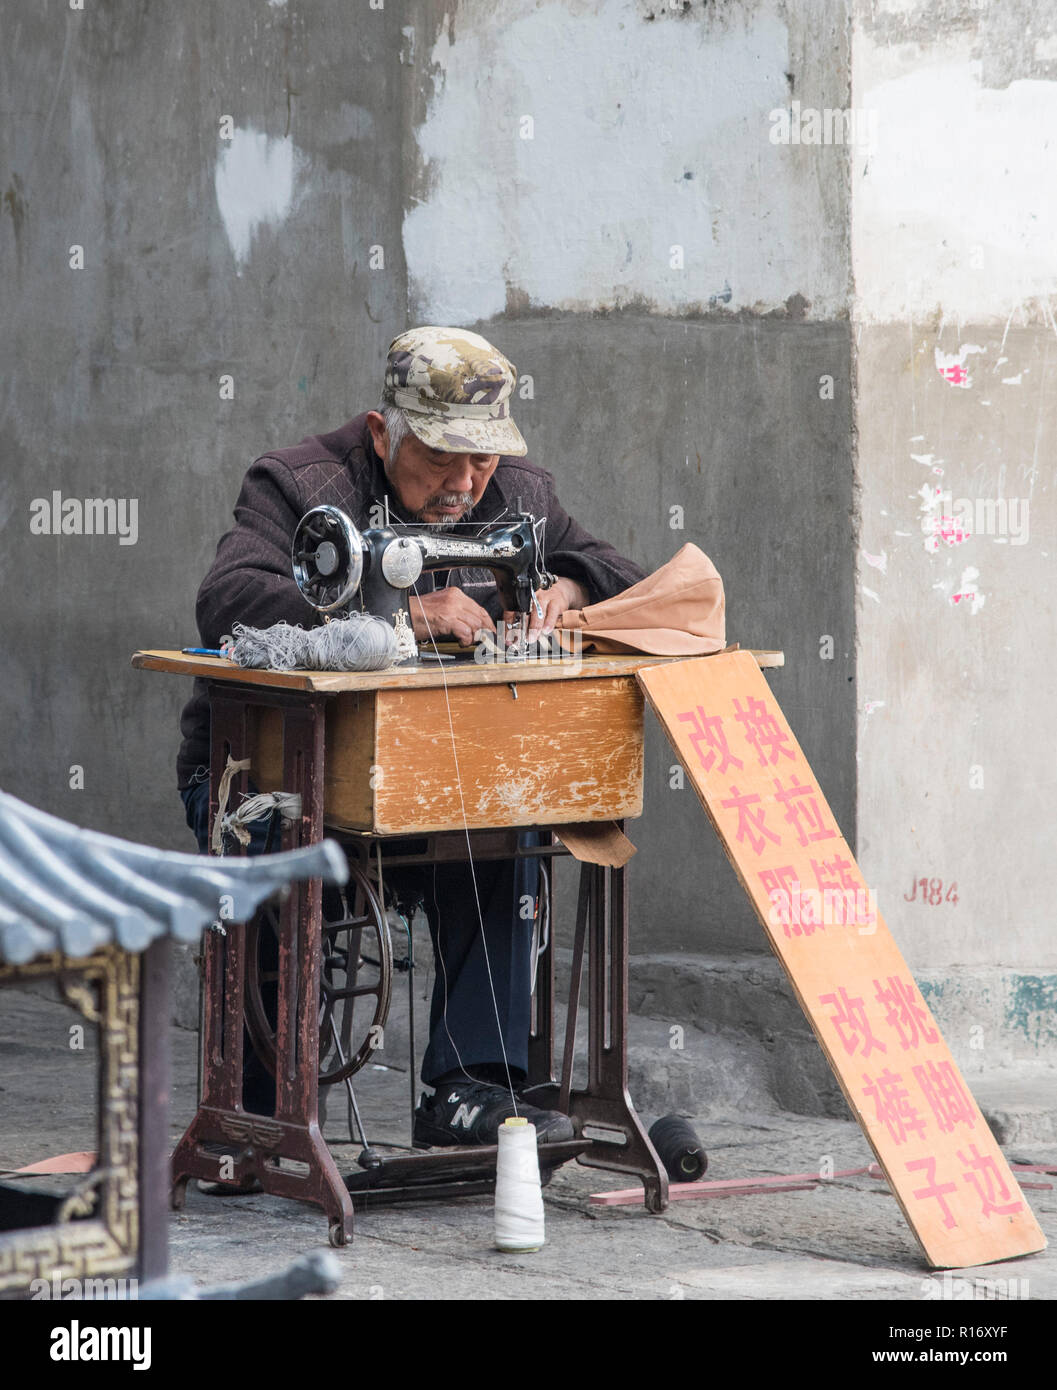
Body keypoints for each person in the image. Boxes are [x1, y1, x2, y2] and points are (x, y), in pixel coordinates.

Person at [177, 326, 645, 1147]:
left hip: (434, 778)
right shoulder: (298, 485)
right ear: (381, 430)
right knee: (282, 840)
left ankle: (472, 1090)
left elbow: (624, 576)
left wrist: (569, 584)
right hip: (272, 770)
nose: (465, 484)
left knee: (509, 817)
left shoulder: (520, 497)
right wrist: (389, 616)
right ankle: (264, 1107)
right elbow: (226, 601)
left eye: (483, 462)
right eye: (439, 460)